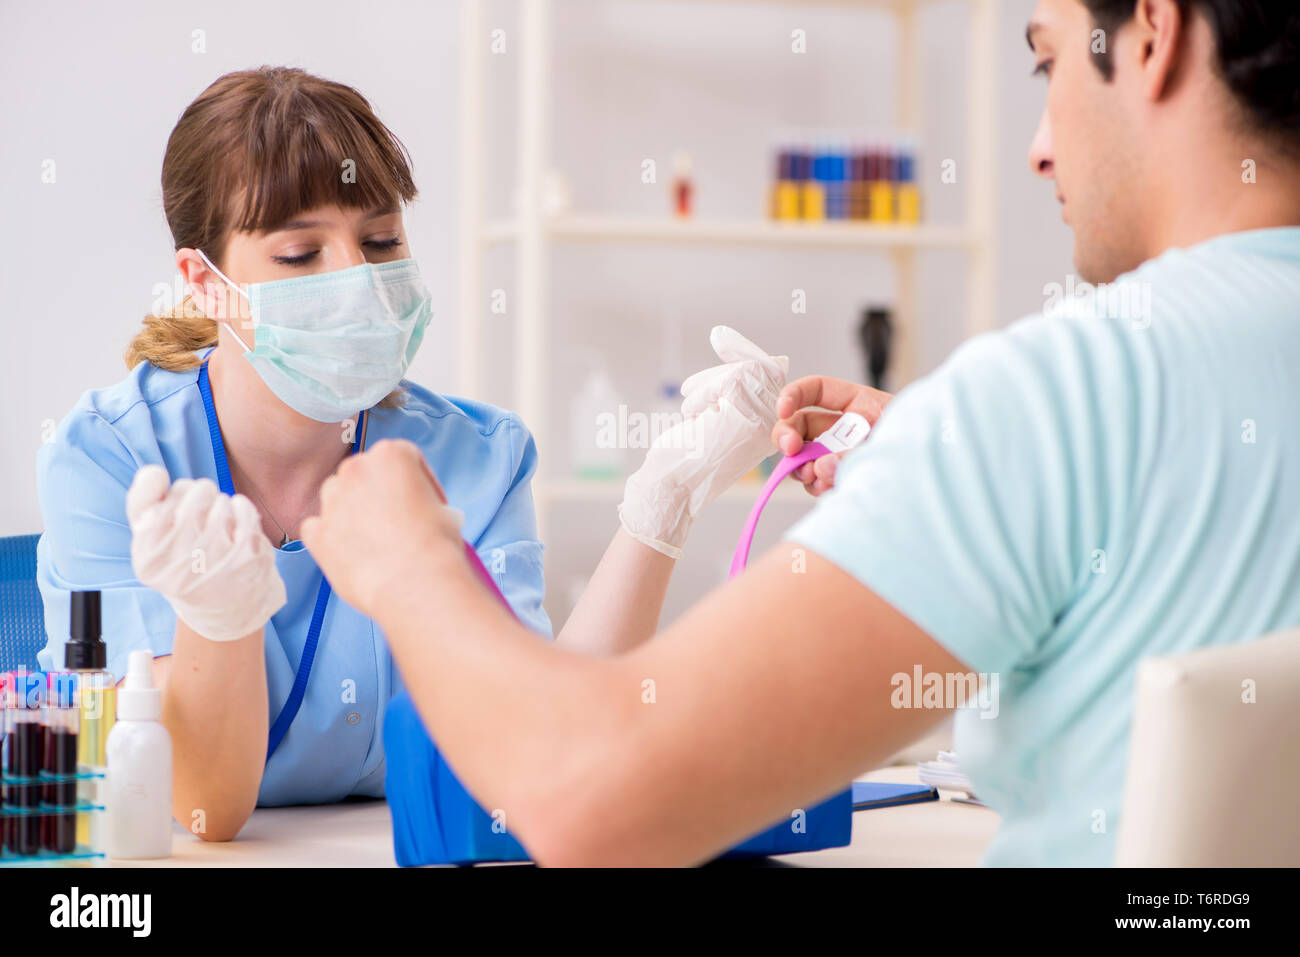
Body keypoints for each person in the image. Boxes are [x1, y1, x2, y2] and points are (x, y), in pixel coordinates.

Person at [297, 0, 1300, 865]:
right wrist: (950, 462)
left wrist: (410, 567)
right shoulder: (1068, 415)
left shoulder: (1061, 391)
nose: (1037, 146)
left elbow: (589, 800)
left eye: (1045, 60)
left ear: (1152, 36)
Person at [36, 67, 787, 842]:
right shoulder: (112, 462)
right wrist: (217, 618)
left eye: (381, 239)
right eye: (300, 254)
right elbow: (204, 806)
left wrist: (662, 503)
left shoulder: (477, 456)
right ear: (205, 282)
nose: (358, 280)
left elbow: (546, 744)